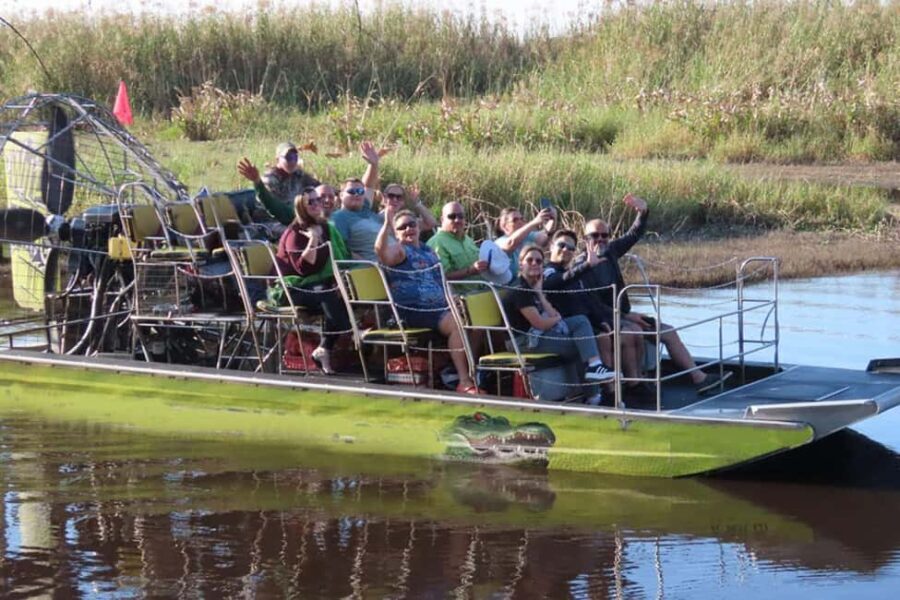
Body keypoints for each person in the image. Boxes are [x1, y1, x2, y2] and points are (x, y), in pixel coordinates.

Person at [583, 193, 730, 395]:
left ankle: (700, 378)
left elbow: (633, 234)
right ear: (585, 239)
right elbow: (591, 305)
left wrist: (643, 212)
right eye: (594, 236)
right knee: (633, 332)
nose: (600, 240)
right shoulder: (581, 267)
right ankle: (636, 385)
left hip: (623, 315)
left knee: (668, 331)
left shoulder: (611, 251)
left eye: (604, 235)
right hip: (604, 321)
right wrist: (625, 316)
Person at [375, 207, 483, 395]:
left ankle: (464, 372)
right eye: (402, 227)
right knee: (458, 324)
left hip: (439, 307)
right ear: (396, 232)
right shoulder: (400, 251)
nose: (408, 229)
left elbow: (441, 281)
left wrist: (454, 299)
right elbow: (380, 251)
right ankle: (464, 382)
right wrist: (386, 224)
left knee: (476, 321)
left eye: (412, 224)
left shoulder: (429, 252)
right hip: (414, 309)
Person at [504, 244, 617, 404]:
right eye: (530, 260)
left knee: (580, 320)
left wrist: (540, 294)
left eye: (538, 261)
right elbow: (541, 324)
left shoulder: (533, 287)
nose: (535, 263)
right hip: (523, 340)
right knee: (579, 346)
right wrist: (557, 319)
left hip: (538, 334)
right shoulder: (519, 290)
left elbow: (550, 314)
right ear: (521, 263)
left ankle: (595, 365)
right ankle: (593, 396)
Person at [542, 229, 645, 393]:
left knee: (632, 333)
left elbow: (588, 300)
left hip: (586, 321)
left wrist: (602, 320)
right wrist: (587, 265)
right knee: (604, 338)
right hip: (567, 326)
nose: (566, 250)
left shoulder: (574, 274)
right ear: (551, 245)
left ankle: (635, 382)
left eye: (571, 248)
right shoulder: (549, 271)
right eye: (562, 245)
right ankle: (611, 392)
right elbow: (555, 283)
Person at [272, 190, 351, 374]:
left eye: (318, 199)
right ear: (302, 207)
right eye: (311, 202)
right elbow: (304, 268)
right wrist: (313, 239)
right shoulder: (294, 232)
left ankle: (324, 348)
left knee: (339, 291)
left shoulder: (325, 226)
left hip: (319, 287)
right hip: (293, 289)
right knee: (327, 291)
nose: (317, 204)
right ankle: (349, 330)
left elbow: (332, 261)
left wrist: (338, 281)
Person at [426, 201, 487, 281]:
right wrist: (471, 270)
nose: (457, 220)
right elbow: (441, 277)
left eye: (461, 216)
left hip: (484, 289)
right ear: (442, 219)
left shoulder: (467, 239)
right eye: (452, 216)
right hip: (460, 293)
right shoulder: (436, 243)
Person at [495, 206, 554, 281]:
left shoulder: (527, 236)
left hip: (526, 283)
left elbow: (544, 238)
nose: (520, 222)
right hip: (508, 286)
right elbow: (511, 243)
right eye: (515, 220)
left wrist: (552, 219)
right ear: (504, 227)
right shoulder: (500, 242)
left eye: (522, 219)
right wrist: (535, 222)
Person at [261, 142, 320, 207]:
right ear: (278, 159)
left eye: (295, 157)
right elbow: (274, 207)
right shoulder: (269, 179)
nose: (292, 161)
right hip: (268, 216)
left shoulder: (299, 175)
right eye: (288, 157)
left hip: (292, 213)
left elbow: (319, 187)